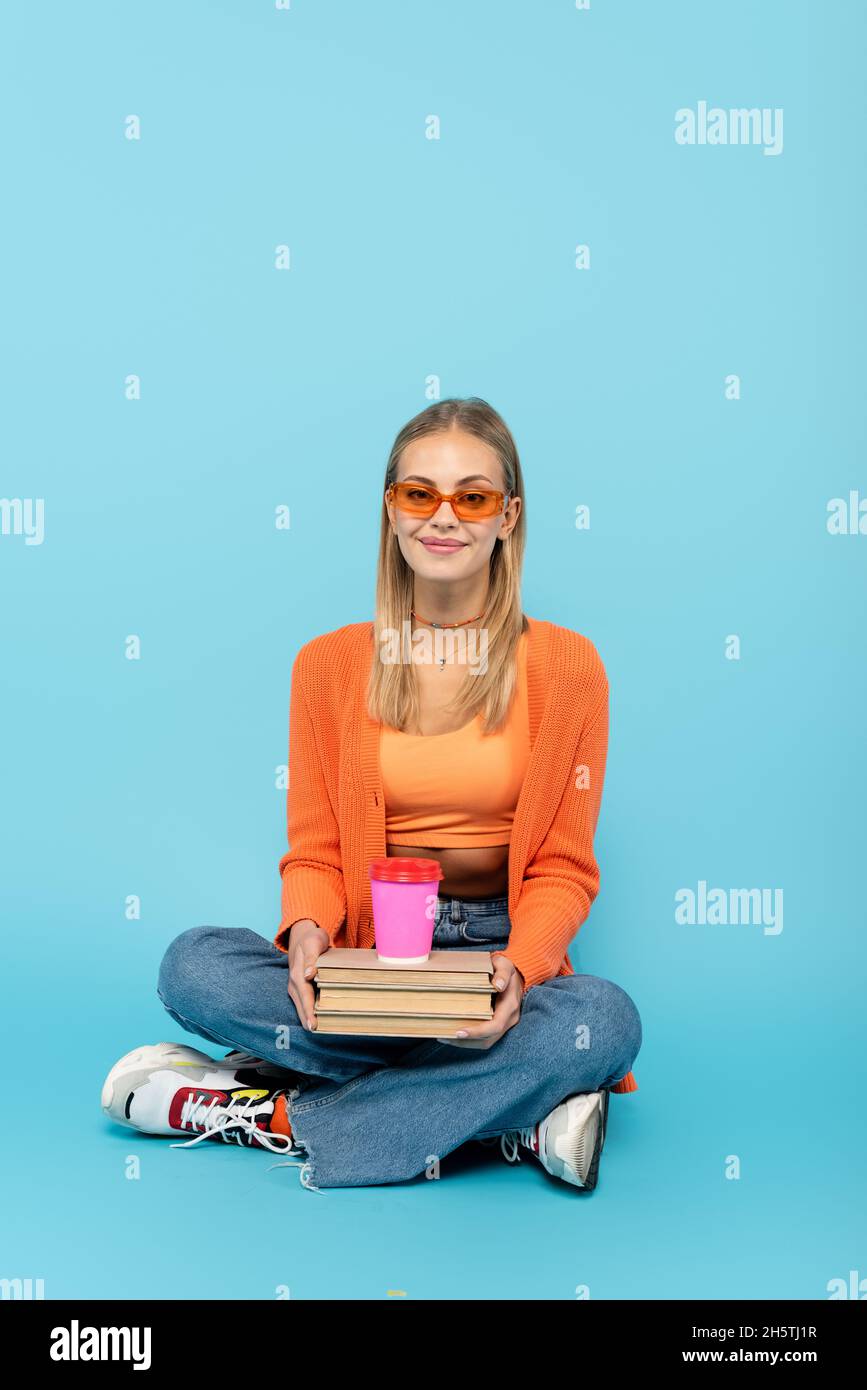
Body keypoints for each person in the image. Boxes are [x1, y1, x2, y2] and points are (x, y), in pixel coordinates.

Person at [101, 397, 642, 1192]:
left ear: (509, 516)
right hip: (373, 956)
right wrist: (312, 932)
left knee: (606, 1022)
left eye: (474, 496)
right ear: (391, 511)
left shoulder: (569, 669)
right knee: (194, 966)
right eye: (419, 493)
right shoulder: (326, 666)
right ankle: (510, 1114)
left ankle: (268, 1113)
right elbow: (316, 847)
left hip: (497, 954)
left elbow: (563, 867)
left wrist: (520, 972)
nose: (444, 517)